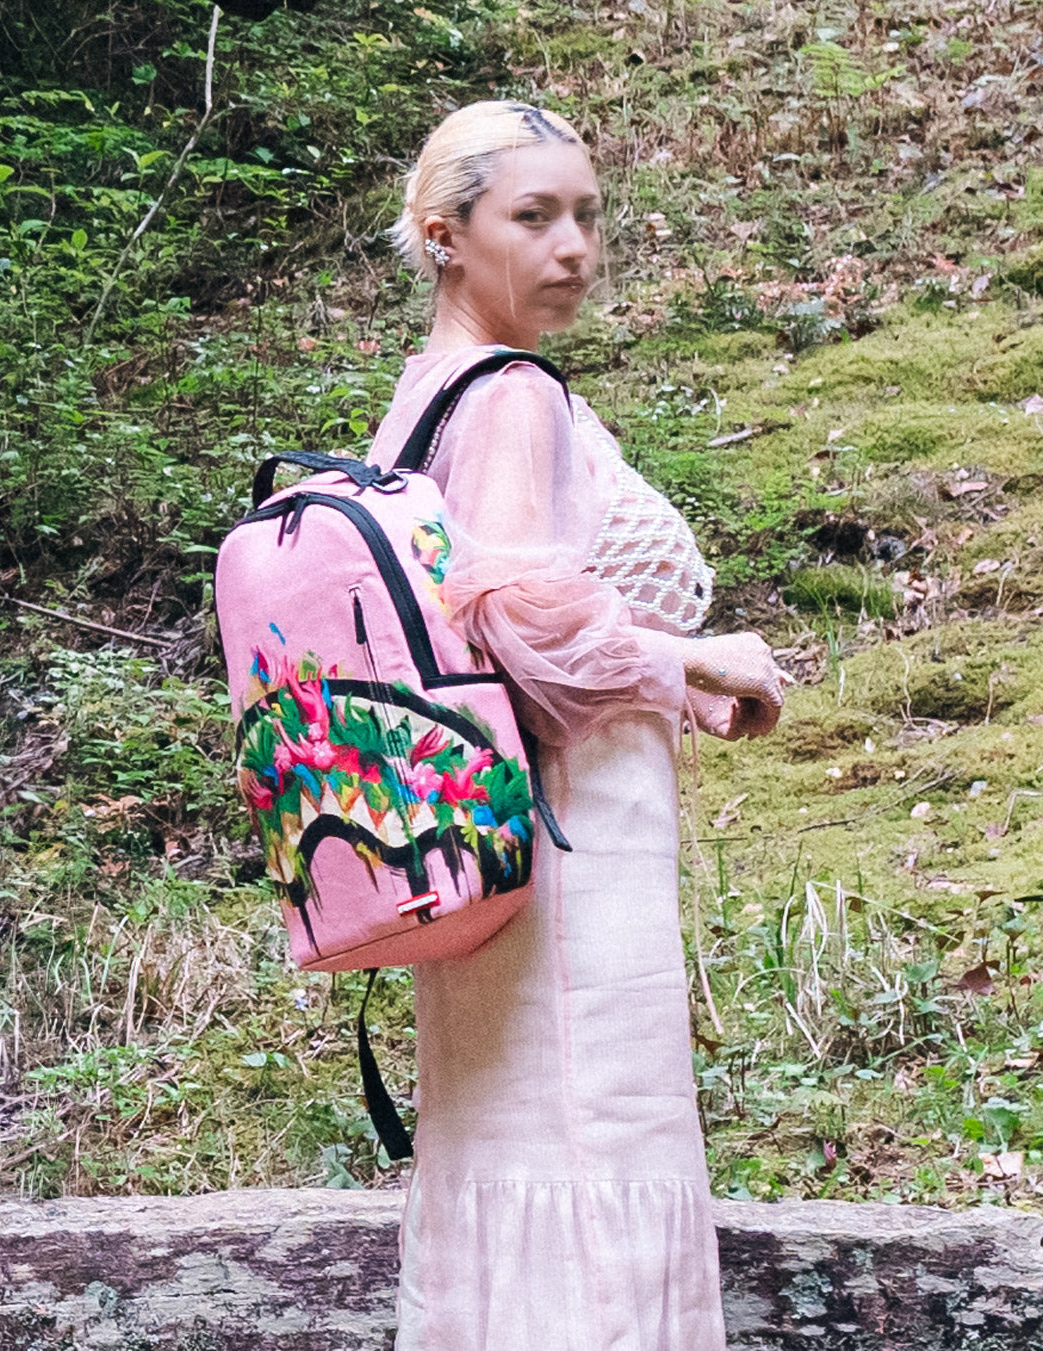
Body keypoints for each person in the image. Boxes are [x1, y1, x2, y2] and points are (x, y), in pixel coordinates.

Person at [368, 100, 786, 1351]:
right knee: (593, 1146)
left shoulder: (426, 397)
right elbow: (517, 620)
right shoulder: (511, 398)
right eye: (534, 216)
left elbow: (484, 630)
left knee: (518, 1144)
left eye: (588, 216)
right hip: (568, 859)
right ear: (444, 235)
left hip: (490, 855)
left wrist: (674, 689)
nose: (574, 248)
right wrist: (698, 654)